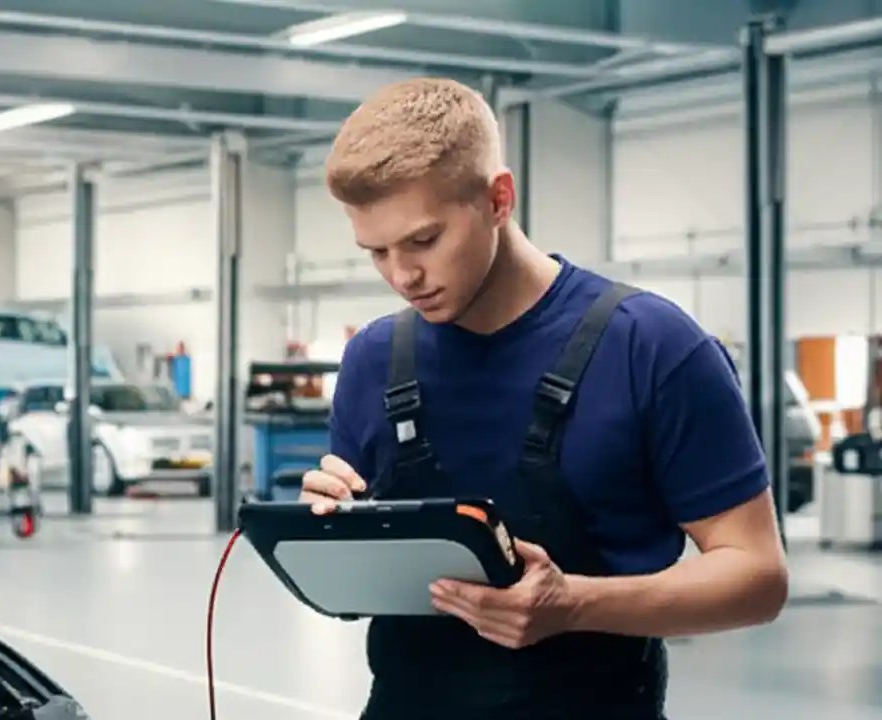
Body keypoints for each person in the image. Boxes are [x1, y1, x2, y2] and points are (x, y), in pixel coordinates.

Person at [300, 77, 790, 719]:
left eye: (423, 241)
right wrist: (336, 530)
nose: (402, 276)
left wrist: (576, 604)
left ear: (498, 198)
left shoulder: (652, 348)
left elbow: (757, 576)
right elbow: (358, 594)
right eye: (377, 252)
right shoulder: (373, 360)